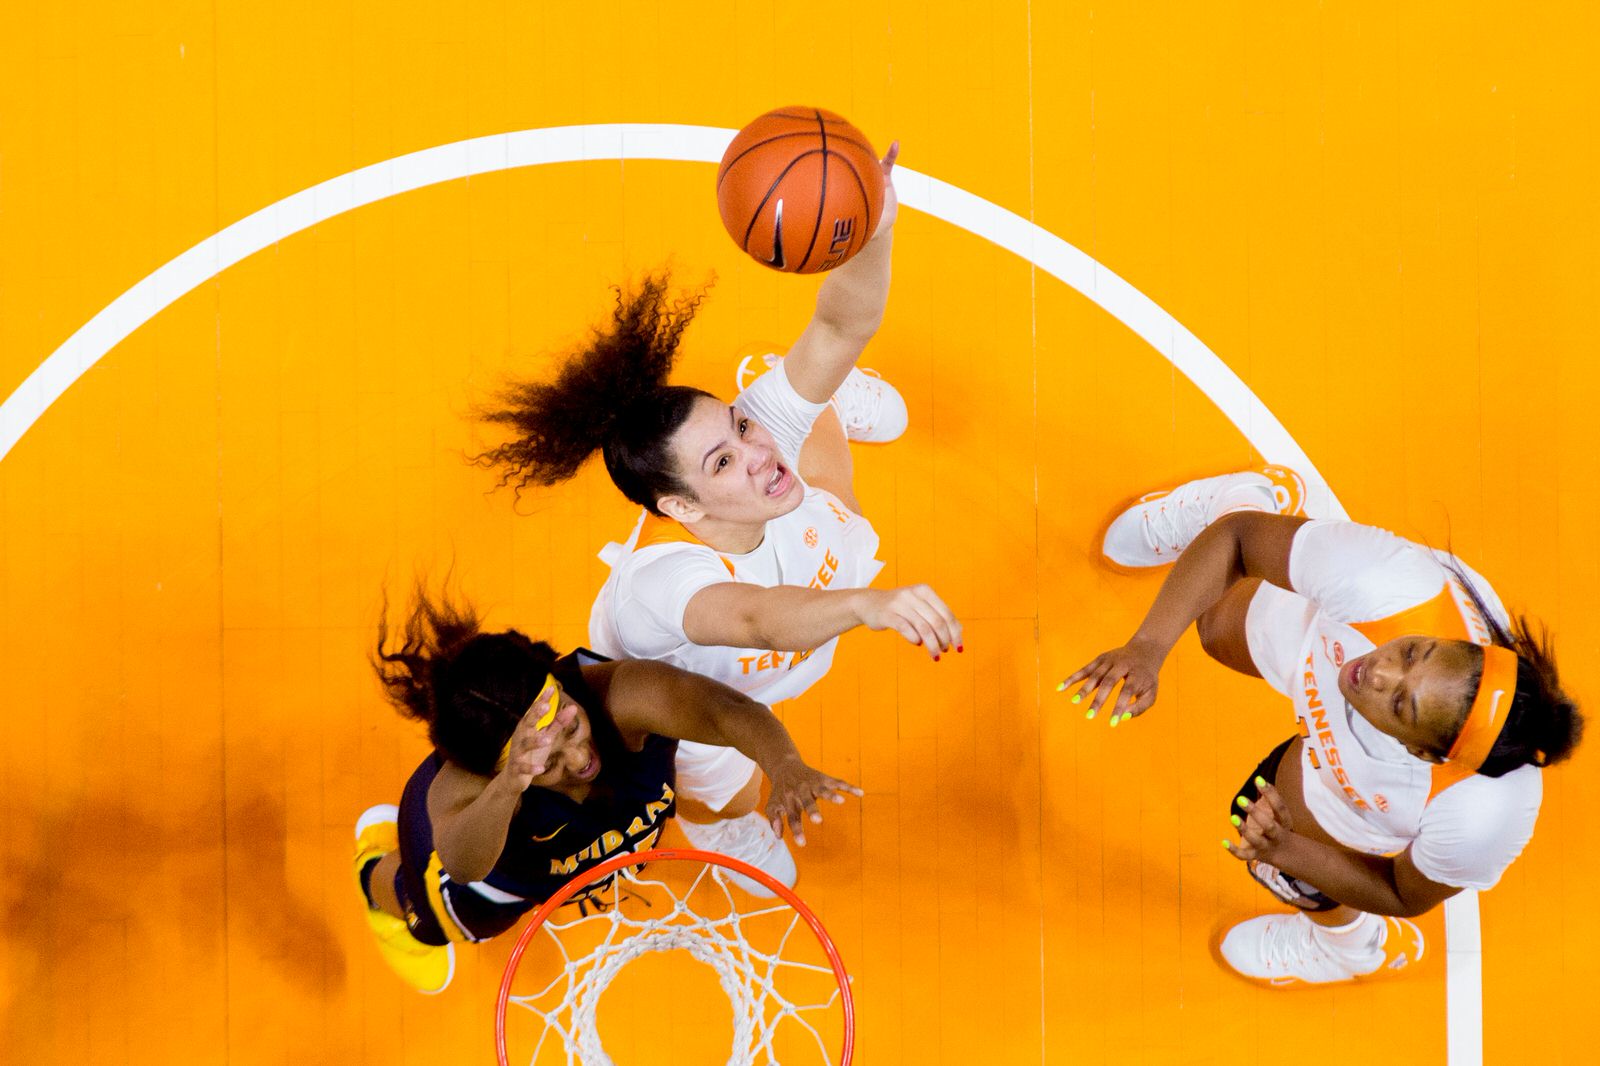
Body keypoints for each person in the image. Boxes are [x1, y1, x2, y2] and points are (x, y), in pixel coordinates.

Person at [474, 143, 961, 894]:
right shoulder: (661, 584)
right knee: (719, 787)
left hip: (803, 572)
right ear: (680, 507)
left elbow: (840, 323)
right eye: (721, 461)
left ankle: (795, 381)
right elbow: (761, 619)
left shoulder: (764, 460)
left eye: (735, 425)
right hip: (718, 690)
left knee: (815, 447)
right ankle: (725, 827)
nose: (752, 450)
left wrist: (873, 229)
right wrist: (866, 605)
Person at [1061, 469, 1583, 986]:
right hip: (1337, 629)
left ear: (1423, 752)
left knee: (1279, 860)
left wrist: (1284, 850)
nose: (1377, 672)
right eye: (1413, 653)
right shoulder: (1388, 586)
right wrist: (1148, 647)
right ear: (1446, 642)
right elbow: (1238, 540)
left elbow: (1403, 893)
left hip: (1375, 783)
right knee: (1215, 626)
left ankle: (1348, 950)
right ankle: (1251, 496)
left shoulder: (1477, 817)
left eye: (1401, 702)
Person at [353, 586, 862, 994]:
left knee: (718, 789)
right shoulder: (465, 785)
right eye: (547, 762)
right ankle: (372, 862)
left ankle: (719, 831)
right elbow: (464, 864)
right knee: (437, 925)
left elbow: (724, 711)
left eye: (570, 727)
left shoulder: (622, 696)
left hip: (584, 842)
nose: (580, 761)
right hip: (500, 873)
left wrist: (785, 762)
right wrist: (512, 784)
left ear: (556, 676)